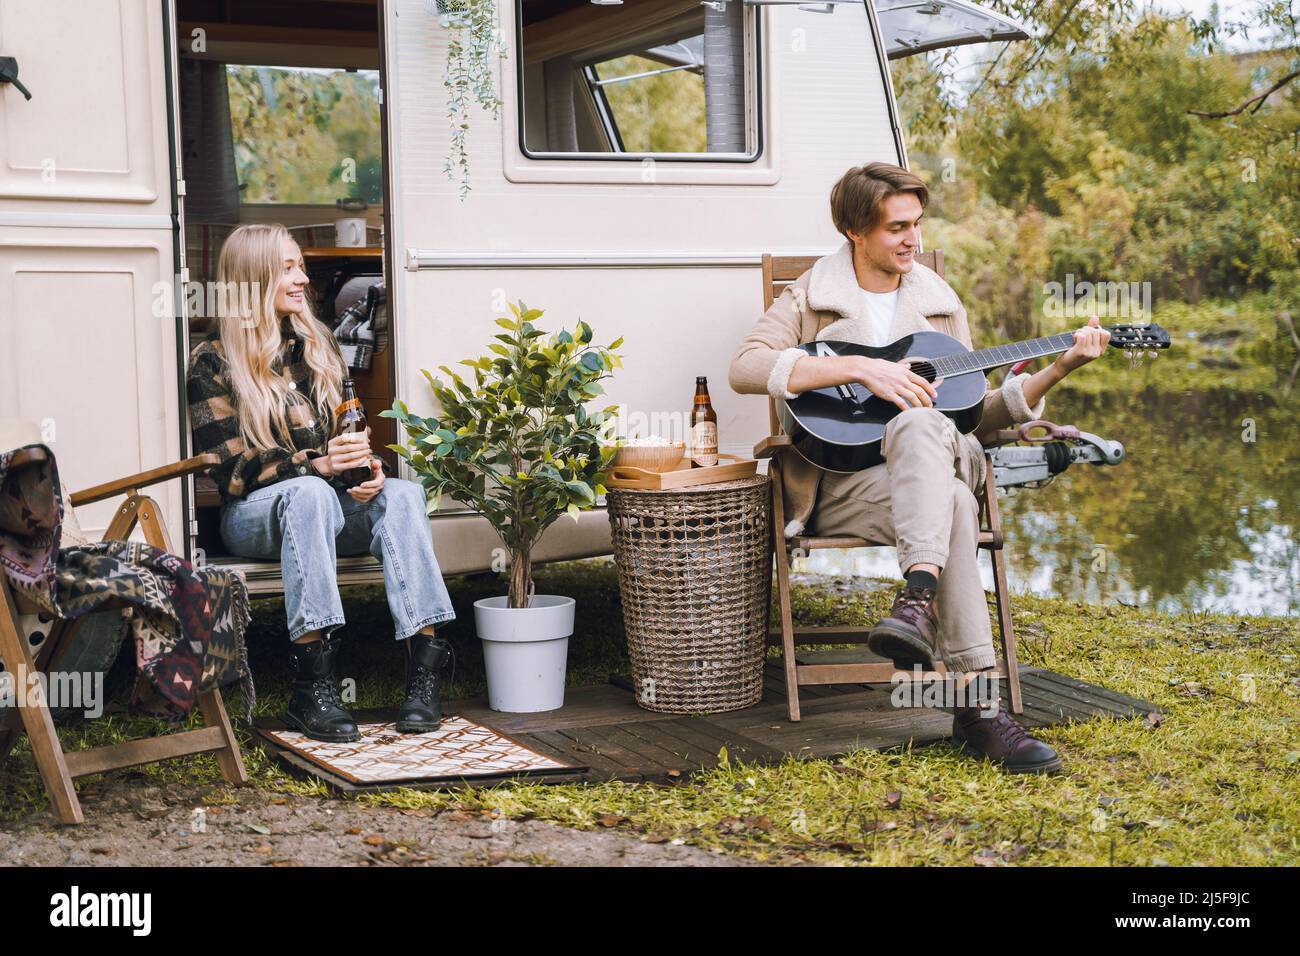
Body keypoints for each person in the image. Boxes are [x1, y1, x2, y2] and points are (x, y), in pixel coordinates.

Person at [728, 163, 1110, 774]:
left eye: (917, 225)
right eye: (896, 228)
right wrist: (858, 368)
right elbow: (746, 368)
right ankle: (978, 709)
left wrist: (1057, 369)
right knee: (957, 505)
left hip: (930, 461)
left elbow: (975, 416)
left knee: (923, 422)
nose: (913, 240)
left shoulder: (939, 306)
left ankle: (917, 600)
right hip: (843, 484)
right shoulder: (808, 297)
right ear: (855, 230)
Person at [186, 223, 457, 743]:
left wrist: (362, 471)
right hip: (254, 516)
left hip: (325, 502)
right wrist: (318, 466)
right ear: (253, 276)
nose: (302, 278)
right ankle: (314, 687)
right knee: (308, 492)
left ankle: (424, 675)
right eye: (288, 268)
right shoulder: (213, 360)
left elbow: (343, 442)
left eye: (300, 266)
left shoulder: (316, 344)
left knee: (404, 494)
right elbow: (230, 470)